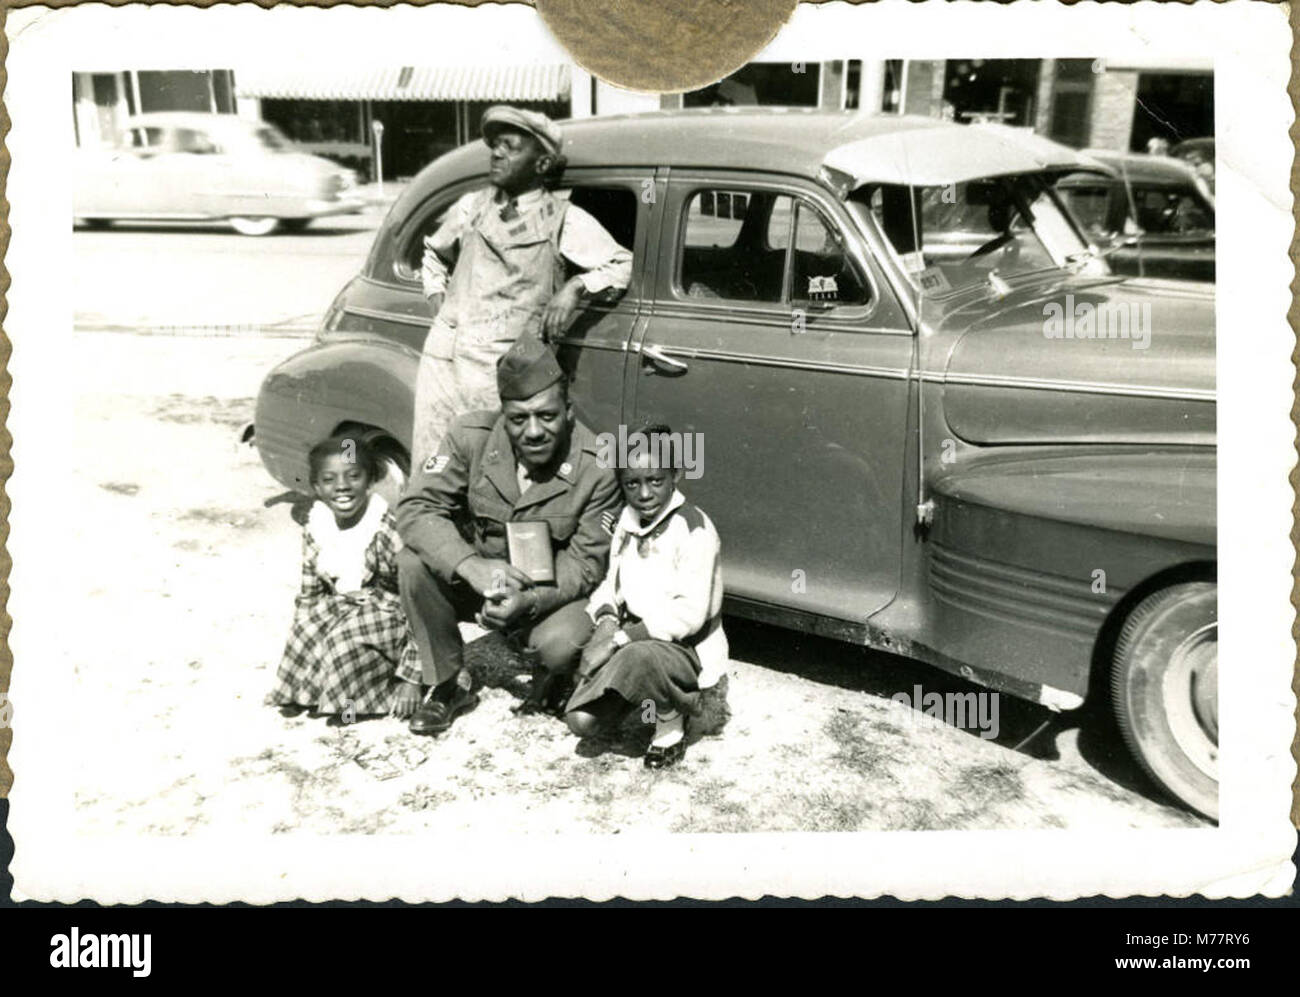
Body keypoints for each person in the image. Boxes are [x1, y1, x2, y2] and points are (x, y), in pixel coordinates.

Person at [395, 336, 621, 736]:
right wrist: (470, 566)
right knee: (412, 563)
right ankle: (447, 686)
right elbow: (415, 509)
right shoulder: (470, 437)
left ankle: (554, 676)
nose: (533, 431)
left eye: (547, 416)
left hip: (545, 594)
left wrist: (529, 601)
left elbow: (585, 564)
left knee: (562, 643)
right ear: (503, 414)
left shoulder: (598, 463)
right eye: (518, 419)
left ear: (568, 411)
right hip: (479, 580)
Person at [412, 105, 633, 462]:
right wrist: (439, 303)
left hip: (499, 368)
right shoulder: (471, 206)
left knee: (489, 463)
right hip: (443, 361)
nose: (497, 153)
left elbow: (621, 263)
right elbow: (433, 253)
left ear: (542, 164)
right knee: (433, 459)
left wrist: (575, 287)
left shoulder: (563, 219)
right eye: (495, 145)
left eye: (511, 147)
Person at [563, 427, 731, 769]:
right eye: (631, 484)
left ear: (676, 475)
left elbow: (689, 614)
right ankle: (638, 699)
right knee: (580, 721)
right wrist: (607, 622)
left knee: (639, 656)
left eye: (655, 481)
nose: (643, 494)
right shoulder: (627, 523)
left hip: (681, 647)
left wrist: (617, 641)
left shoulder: (693, 528)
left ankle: (671, 720)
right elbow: (612, 583)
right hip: (632, 640)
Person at [268, 434, 422, 720]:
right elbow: (310, 593)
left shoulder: (385, 528)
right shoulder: (318, 525)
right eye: (329, 480)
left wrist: (412, 676)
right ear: (316, 486)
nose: (342, 487)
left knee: (343, 640)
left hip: (396, 614)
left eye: (354, 476)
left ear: (370, 480)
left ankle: (376, 694)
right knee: (308, 628)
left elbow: (420, 602)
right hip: (350, 605)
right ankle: (309, 692)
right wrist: (304, 631)